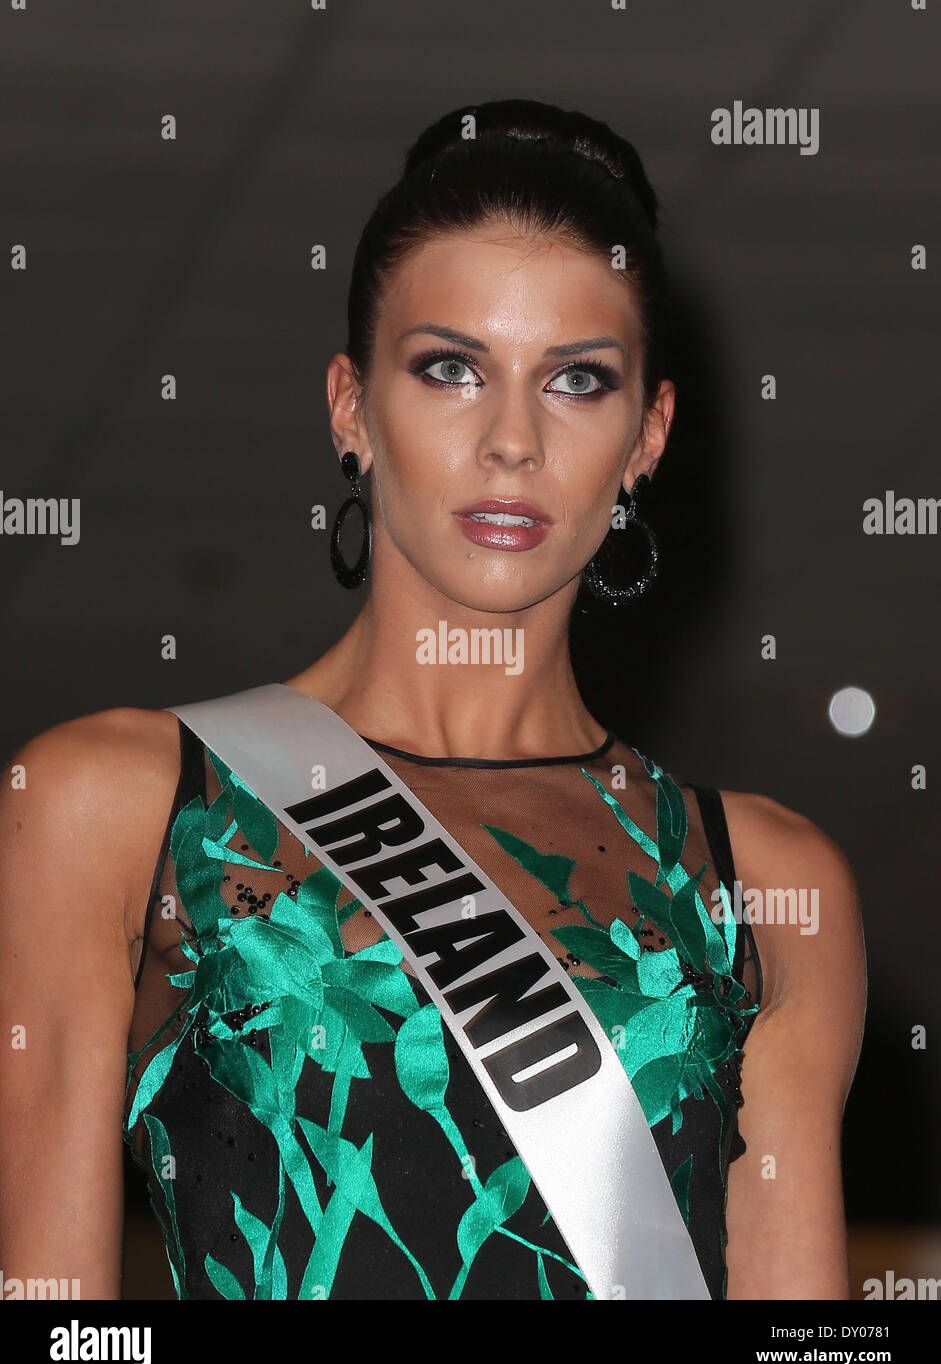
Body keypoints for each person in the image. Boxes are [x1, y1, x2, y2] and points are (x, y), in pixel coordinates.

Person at [0, 99, 865, 1301]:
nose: (511, 441)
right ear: (352, 407)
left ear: (646, 437)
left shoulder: (763, 880)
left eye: (575, 381)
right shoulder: (122, 801)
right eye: (450, 368)